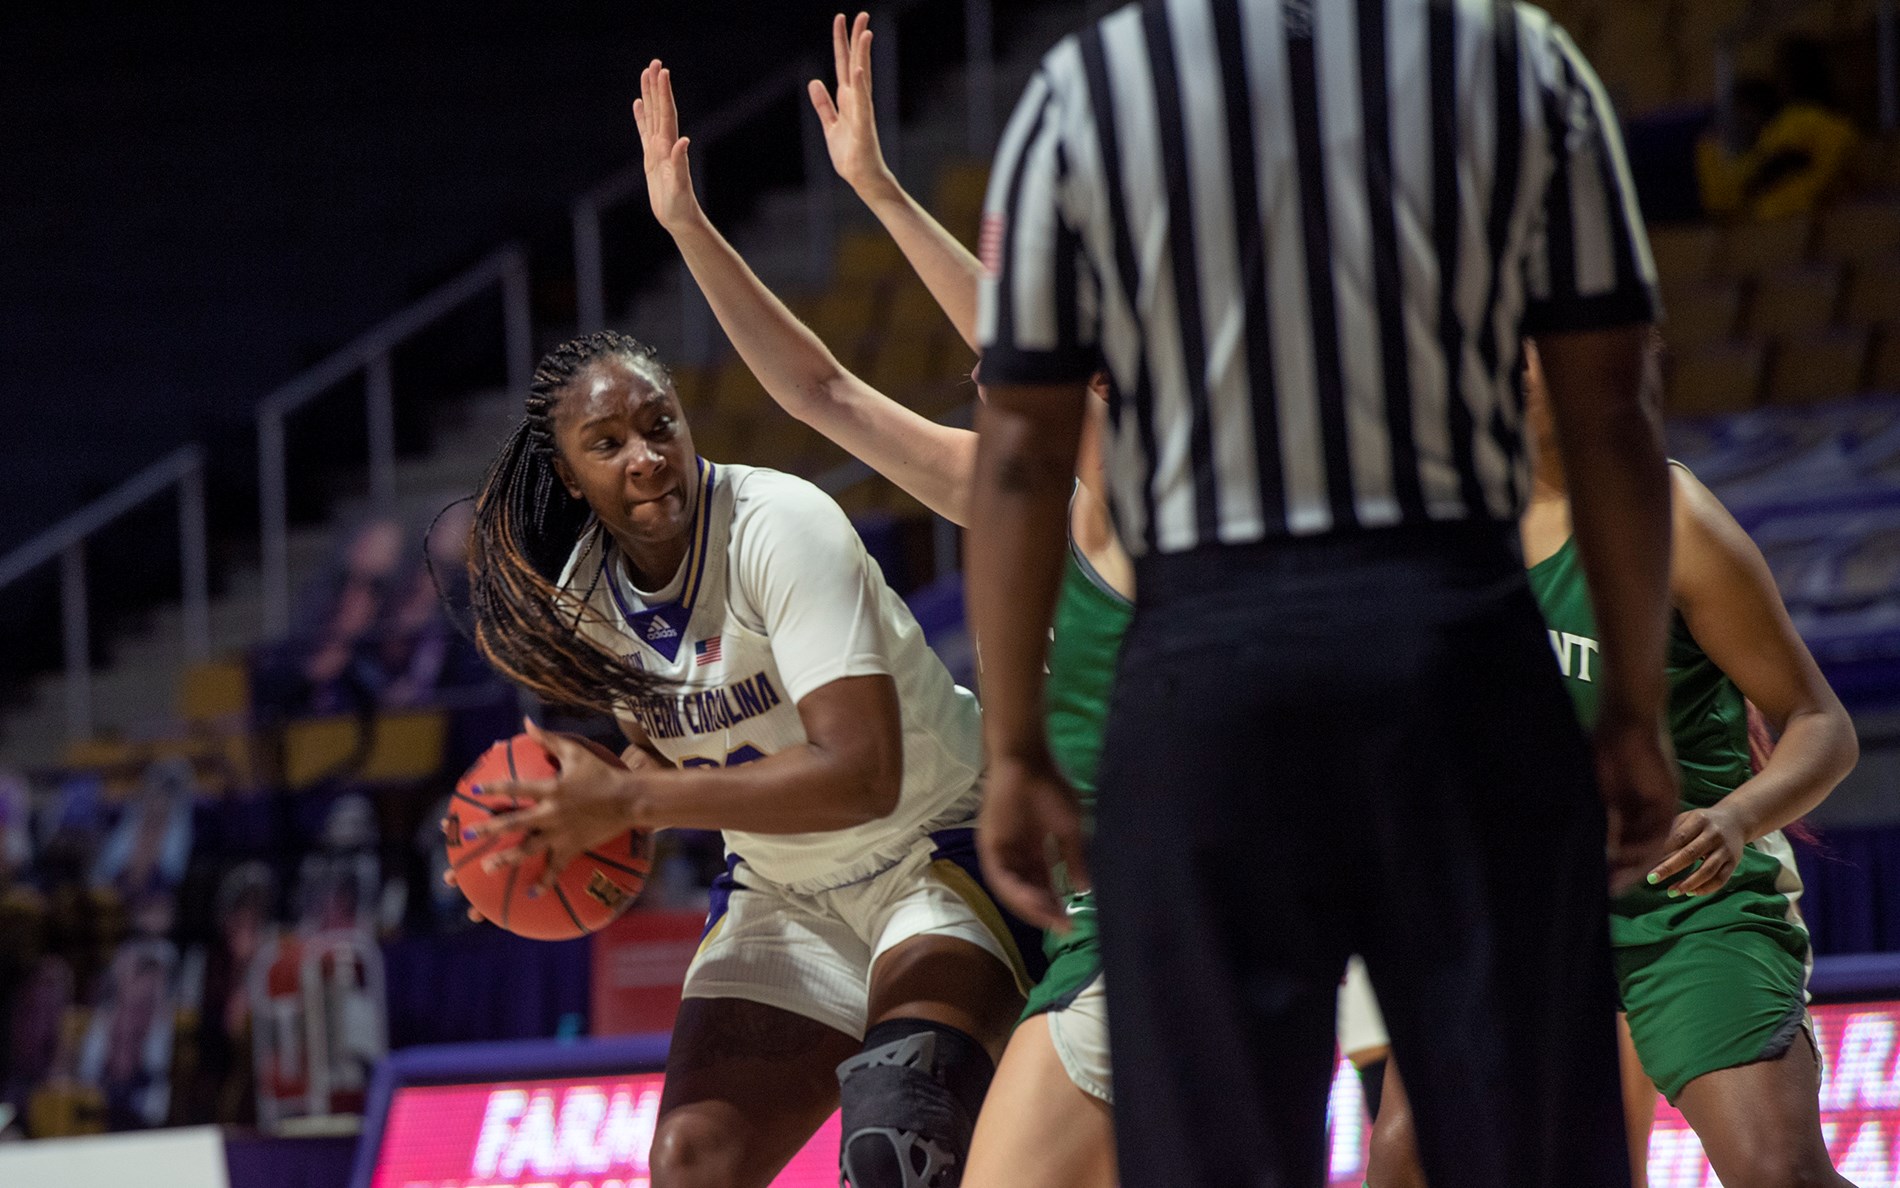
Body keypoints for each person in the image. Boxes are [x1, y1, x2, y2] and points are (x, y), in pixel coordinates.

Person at [966, 2, 1680, 1185]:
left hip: (1205, 671)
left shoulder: (1083, 88)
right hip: (1453, 651)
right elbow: (1612, 406)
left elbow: (1020, 454)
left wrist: (1013, 749)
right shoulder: (1518, 61)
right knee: (1525, 1146)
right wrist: (1634, 710)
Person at [454, 76, 1037, 1180]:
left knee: (895, 1133)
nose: (647, 456)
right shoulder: (579, 599)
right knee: (689, 1162)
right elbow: (626, 764)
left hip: (935, 854)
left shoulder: (781, 523)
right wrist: (524, 837)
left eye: (659, 424)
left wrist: (631, 798)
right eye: (610, 445)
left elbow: (859, 776)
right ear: (570, 479)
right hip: (782, 896)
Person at [636, 15, 1125, 1185]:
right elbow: (822, 393)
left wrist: (892, 202)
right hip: (1095, 907)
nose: (980, 372)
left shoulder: (1139, 497)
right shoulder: (1020, 495)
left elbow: (1042, 365)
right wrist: (691, 227)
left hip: (1192, 886)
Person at [1363, 340, 1860, 1188]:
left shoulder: (1669, 514)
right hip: (1513, 908)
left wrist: (1739, 816)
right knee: (1404, 1160)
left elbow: (1823, 723)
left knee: (1775, 1172)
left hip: (1685, 895)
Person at [1697, 40, 1861, 222]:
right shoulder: (1840, 124)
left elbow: (1773, 166)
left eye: (1781, 72)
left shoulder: (1797, 121)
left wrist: (1711, 151)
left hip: (1792, 217)